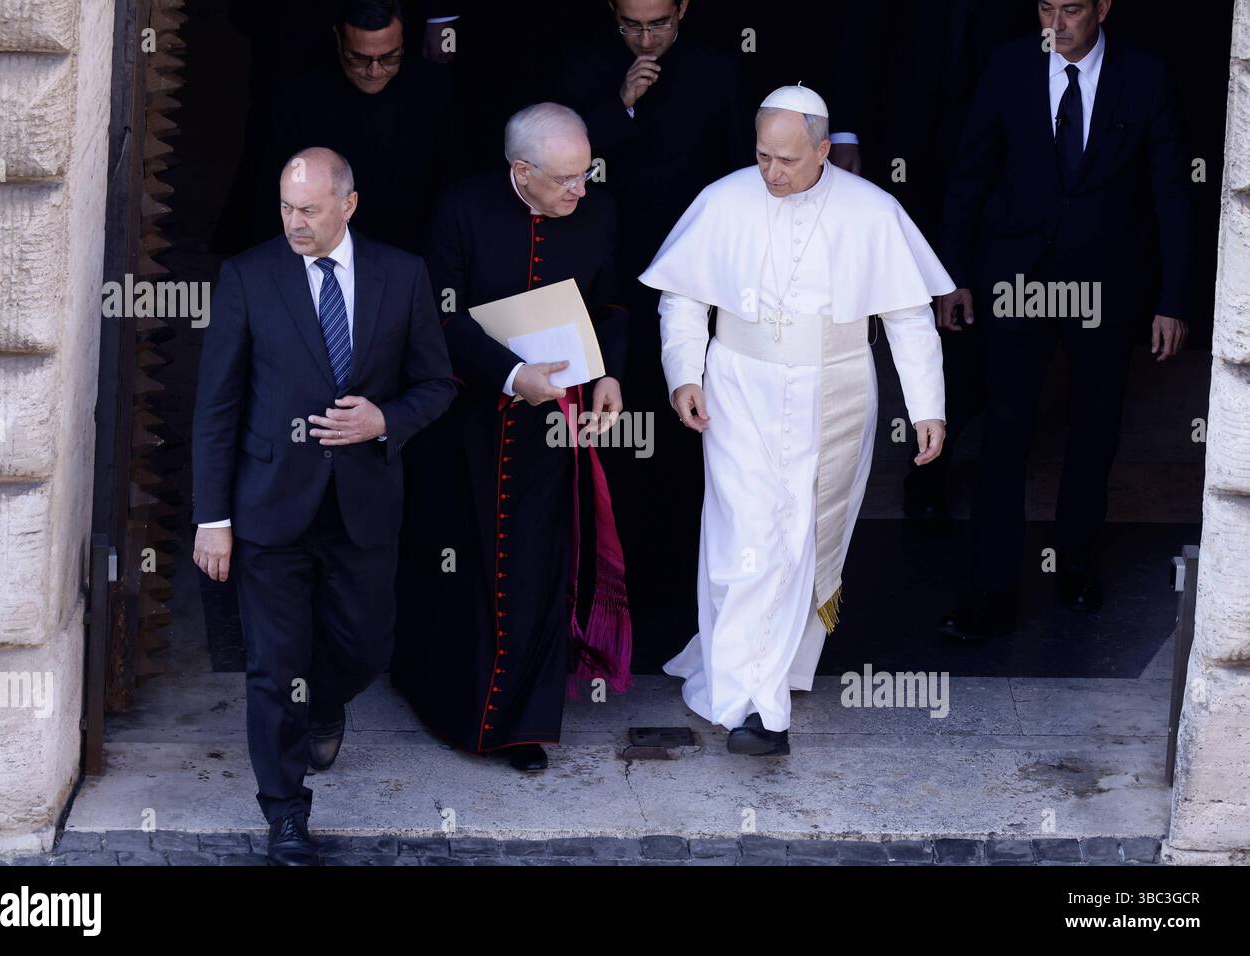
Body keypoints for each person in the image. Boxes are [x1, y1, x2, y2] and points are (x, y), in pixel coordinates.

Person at [640, 86, 950, 755]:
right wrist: (683, 376)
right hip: (739, 388)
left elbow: (908, 317)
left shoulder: (872, 211)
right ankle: (754, 702)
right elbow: (683, 301)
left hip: (834, 390)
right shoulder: (724, 200)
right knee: (747, 535)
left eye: (786, 159)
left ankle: (774, 673)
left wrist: (928, 408)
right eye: (761, 156)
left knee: (803, 538)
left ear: (823, 149)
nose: (771, 173)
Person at [191, 147, 455, 864]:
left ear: (349, 205)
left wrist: (384, 420)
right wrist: (211, 518)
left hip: (364, 504)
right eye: (285, 206)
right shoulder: (250, 276)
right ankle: (285, 813)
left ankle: (325, 698)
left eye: (308, 209)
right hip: (268, 508)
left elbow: (437, 384)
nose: (294, 221)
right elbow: (217, 406)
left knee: (366, 646)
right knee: (274, 667)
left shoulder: (402, 276)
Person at [935, 0, 1193, 640]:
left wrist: (1174, 298)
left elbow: (1170, 191)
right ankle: (991, 591)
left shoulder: (1146, 75)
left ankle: (1076, 565)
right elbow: (968, 173)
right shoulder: (1009, 65)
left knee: (1095, 427)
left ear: (1104, 8)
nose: (1056, 22)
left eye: (1072, 8)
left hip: (1106, 281)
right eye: (1045, 7)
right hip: (1015, 275)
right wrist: (952, 277)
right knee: (1006, 432)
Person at [391, 104, 631, 773]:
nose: (580, 191)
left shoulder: (598, 210)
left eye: (584, 175)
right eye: (564, 180)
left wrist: (612, 373)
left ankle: (525, 721)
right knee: (457, 565)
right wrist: (510, 374)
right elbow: (437, 311)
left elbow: (610, 301)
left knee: (535, 564)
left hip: (550, 429)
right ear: (521, 171)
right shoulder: (461, 208)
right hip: (465, 421)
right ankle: (449, 704)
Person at [556, 0, 751, 664]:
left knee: (686, 428)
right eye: (632, 25)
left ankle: (680, 593)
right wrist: (620, 106)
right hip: (611, 280)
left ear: (684, 11)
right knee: (611, 425)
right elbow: (564, 169)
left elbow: (736, 176)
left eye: (659, 24)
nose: (646, 38)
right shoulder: (585, 66)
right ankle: (610, 587)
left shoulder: (717, 71)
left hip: (694, 281)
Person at [226, 0, 459, 252]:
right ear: (338, 41)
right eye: (358, 59)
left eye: (389, 57)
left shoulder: (433, 93)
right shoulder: (299, 100)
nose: (374, 71)